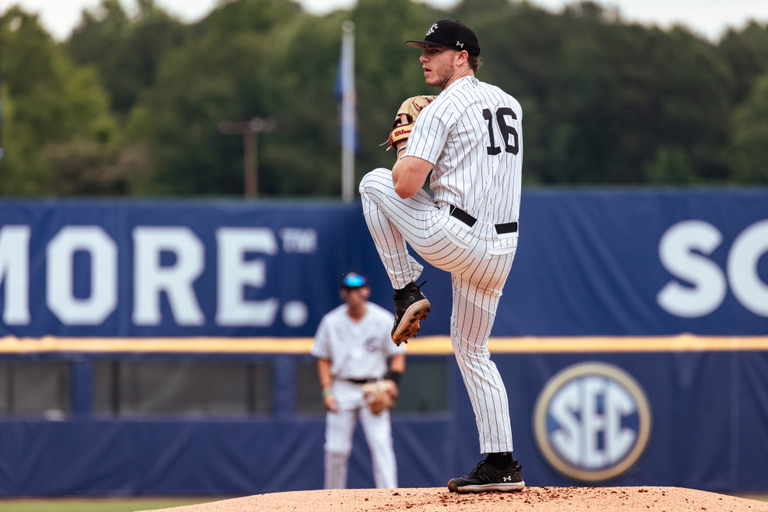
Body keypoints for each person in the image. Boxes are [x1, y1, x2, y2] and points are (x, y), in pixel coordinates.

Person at [358, 20, 525, 493]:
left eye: (433, 50)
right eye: (423, 50)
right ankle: (502, 465)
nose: (423, 57)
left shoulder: (441, 108)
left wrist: (409, 148)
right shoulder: (509, 104)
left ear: (462, 56)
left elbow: (406, 184)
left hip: (455, 236)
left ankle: (405, 287)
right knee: (473, 350)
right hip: (502, 251)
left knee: (374, 182)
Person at [311, 272, 406, 489]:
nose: (354, 294)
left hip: (373, 386)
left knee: (381, 445)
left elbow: (398, 353)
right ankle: (332, 500)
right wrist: (327, 390)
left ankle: (389, 498)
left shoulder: (382, 319)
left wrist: (392, 383)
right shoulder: (331, 321)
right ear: (343, 292)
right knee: (336, 449)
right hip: (342, 387)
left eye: (358, 289)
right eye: (349, 289)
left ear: (366, 290)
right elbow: (323, 358)